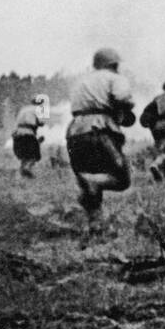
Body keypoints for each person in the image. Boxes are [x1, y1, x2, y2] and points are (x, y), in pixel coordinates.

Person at [67, 48, 136, 227]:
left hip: (75, 131)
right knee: (121, 179)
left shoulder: (80, 82)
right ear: (113, 64)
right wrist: (126, 109)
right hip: (100, 128)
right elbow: (122, 98)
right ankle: (92, 184)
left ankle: (95, 226)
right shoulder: (115, 78)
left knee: (90, 174)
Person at [12, 100, 47, 178]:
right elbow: (40, 123)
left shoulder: (24, 109)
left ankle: (21, 175)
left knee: (24, 156)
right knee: (34, 155)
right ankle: (27, 169)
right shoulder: (38, 110)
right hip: (28, 133)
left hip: (18, 134)